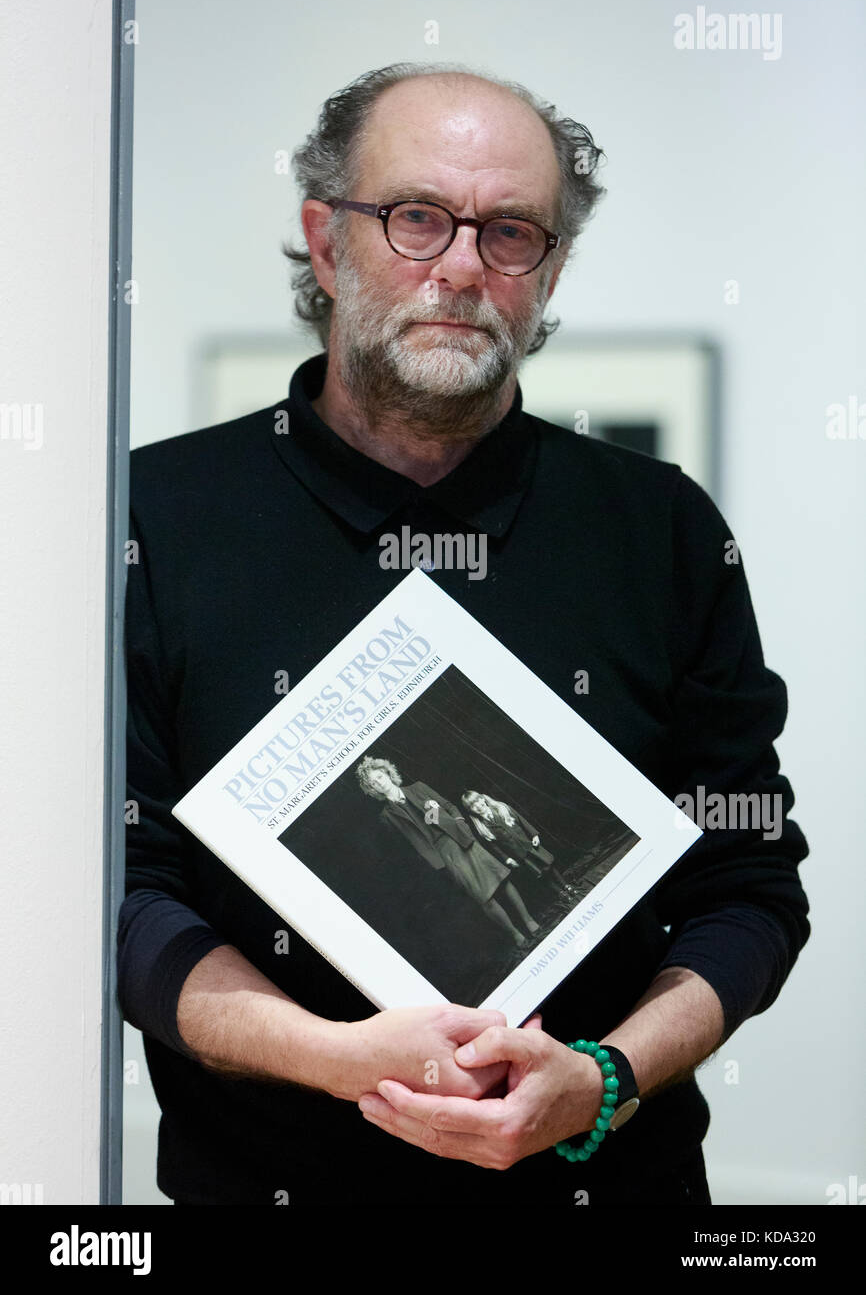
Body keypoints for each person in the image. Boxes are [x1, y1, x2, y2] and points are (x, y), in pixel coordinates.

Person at [118, 61, 810, 1206]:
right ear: (325, 240)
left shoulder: (661, 530)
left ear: (549, 270)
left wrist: (601, 1076)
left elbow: (749, 888)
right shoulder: (150, 520)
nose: (459, 267)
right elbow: (119, 895)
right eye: (415, 217)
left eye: (509, 233)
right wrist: (333, 1058)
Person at [356, 756, 541, 947]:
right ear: (372, 789)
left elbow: (449, 807)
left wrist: (461, 825)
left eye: (379, 776)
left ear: (387, 772)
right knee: (482, 896)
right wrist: (430, 861)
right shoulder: (386, 816)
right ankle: (516, 935)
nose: (379, 782)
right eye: (373, 782)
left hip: (458, 839)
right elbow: (406, 847)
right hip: (443, 855)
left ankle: (528, 921)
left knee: (501, 879)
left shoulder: (418, 788)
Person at [461, 788, 571, 894]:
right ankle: (560, 893)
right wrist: (507, 859)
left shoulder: (501, 808)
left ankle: (566, 886)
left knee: (549, 865)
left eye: (477, 800)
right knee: (540, 873)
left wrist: (534, 835)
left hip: (529, 844)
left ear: (482, 798)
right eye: (472, 806)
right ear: (470, 810)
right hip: (518, 854)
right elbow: (493, 847)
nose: (477, 805)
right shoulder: (482, 827)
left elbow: (521, 820)